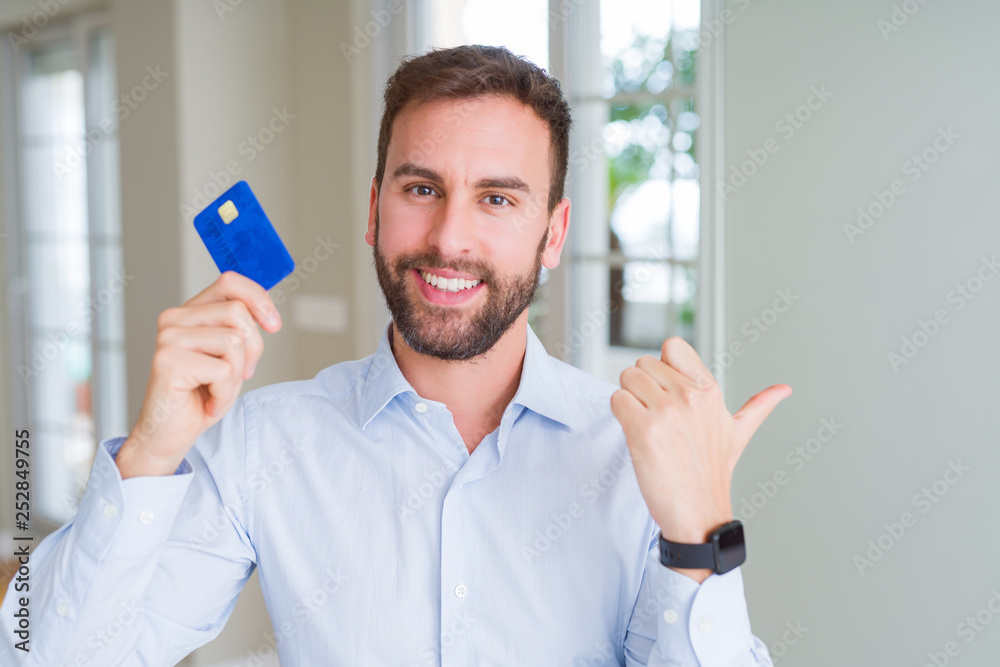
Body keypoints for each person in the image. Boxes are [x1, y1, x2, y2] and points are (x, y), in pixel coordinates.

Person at [1, 44, 790, 666]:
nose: (450, 237)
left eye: (497, 198)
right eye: (421, 189)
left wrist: (697, 538)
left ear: (553, 232)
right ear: (375, 210)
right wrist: (149, 453)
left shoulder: (637, 457)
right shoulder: (260, 445)